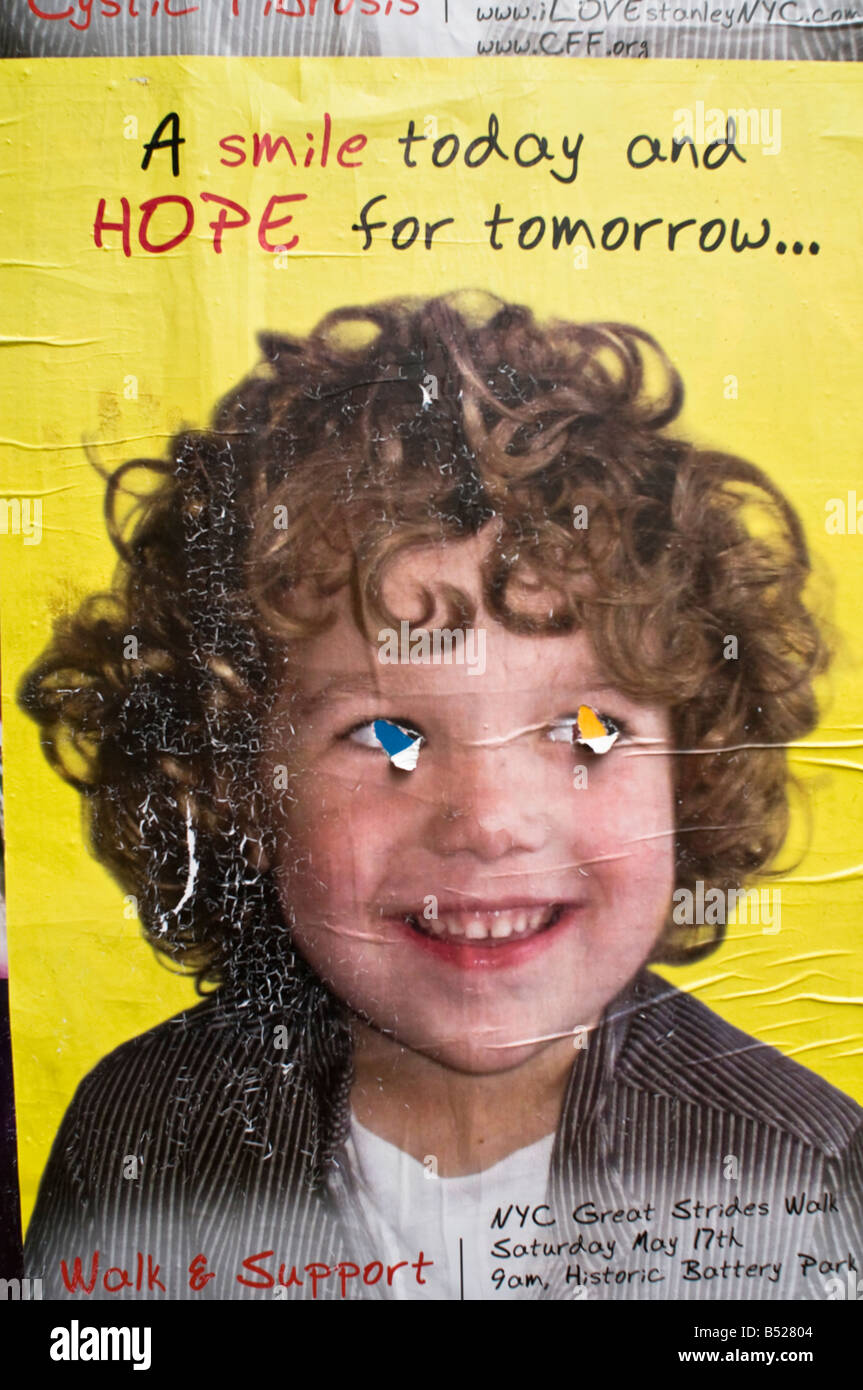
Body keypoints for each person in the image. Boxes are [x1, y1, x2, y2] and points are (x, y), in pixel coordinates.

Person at [20, 292, 863, 1300]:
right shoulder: (138, 1137)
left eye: (584, 731)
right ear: (239, 786)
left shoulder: (800, 1168)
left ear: (691, 773)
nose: (489, 822)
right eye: (389, 734)